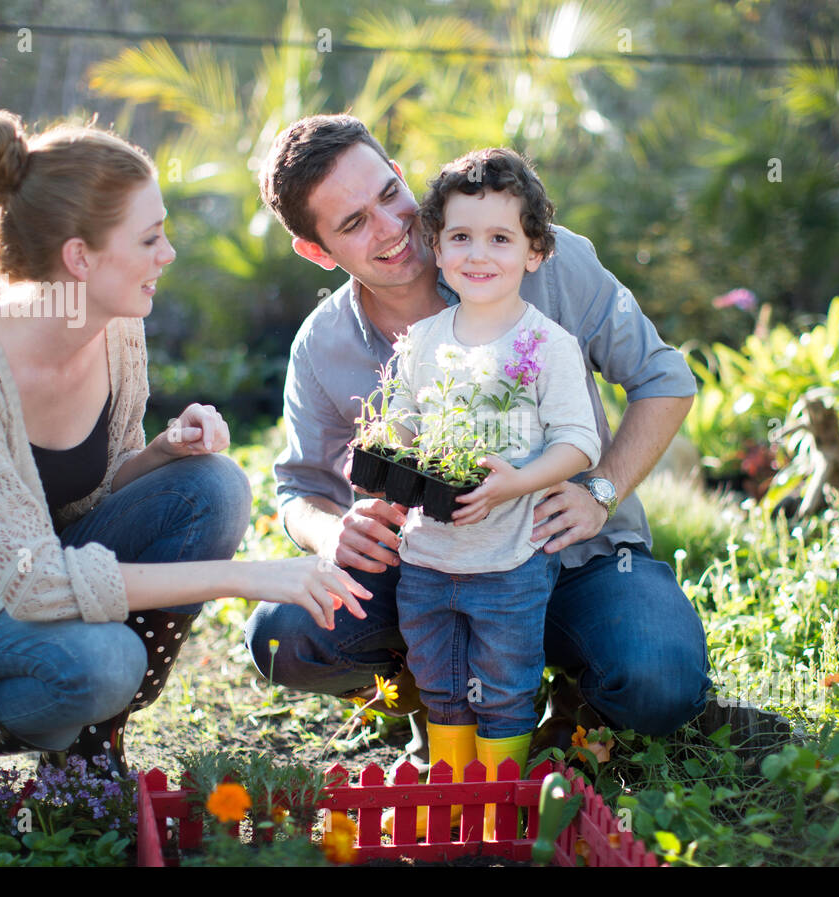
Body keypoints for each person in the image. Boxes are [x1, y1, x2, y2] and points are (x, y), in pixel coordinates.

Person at [0, 110, 369, 854]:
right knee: (107, 661)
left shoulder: (116, 328)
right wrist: (252, 577)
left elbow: (87, 501)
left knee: (213, 485)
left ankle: (89, 753)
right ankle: (19, 728)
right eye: (150, 238)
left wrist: (159, 453)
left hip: (47, 573)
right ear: (79, 257)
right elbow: (33, 584)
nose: (169, 253)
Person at [245, 113, 713, 745]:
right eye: (354, 224)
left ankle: (577, 706)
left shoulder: (538, 255)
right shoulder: (322, 346)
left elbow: (666, 379)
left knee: (658, 680)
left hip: (571, 555)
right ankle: (434, 694)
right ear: (317, 252)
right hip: (428, 572)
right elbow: (299, 488)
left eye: (389, 195)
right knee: (285, 637)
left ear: (401, 175)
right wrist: (332, 531)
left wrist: (600, 491)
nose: (392, 229)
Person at [387, 148, 602, 800]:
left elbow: (580, 442)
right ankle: (452, 794)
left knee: (504, 681)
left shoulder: (547, 345)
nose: (478, 254)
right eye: (460, 236)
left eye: (501, 238)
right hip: (426, 556)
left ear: (535, 252)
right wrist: (384, 451)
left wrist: (518, 481)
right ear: (438, 247)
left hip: (510, 562)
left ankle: (494, 808)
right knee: (439, 680)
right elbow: (400, 417)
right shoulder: (423, 340)